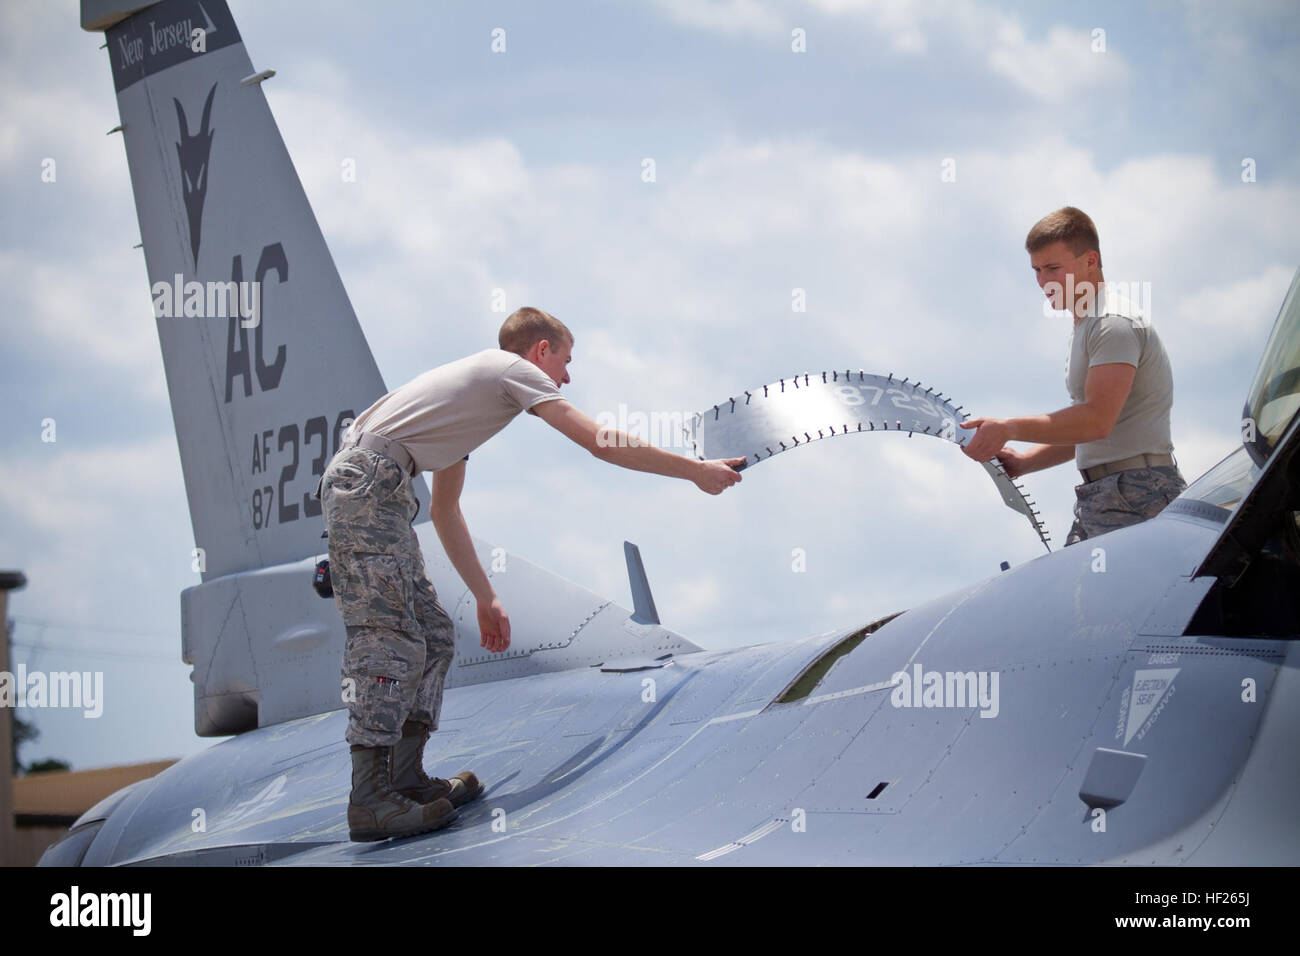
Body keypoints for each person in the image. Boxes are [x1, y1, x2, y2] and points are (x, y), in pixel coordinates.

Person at [318, 306, 745, 841]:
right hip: (369, 486)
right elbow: (599, 441)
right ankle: (370, 800)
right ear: (540, 351)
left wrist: (484, 596)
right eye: (565, 361)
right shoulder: (509, 370)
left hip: (382, 488)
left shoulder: (460, 411)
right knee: (390, 639)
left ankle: (405, 780)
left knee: (432, 634)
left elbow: (446, 512)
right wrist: (695, 471)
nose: (566, 377)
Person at [960, 206, 1186, 546]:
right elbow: (1085, 428)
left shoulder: (1114, 324)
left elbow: (1095, 421)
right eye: (1036, 270)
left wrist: (1009, 428)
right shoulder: (1088, 324)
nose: (1042, 281)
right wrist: (1024, 462)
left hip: (1138, 494)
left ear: (1090, 261)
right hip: (1108, 493)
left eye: (1053, 268)